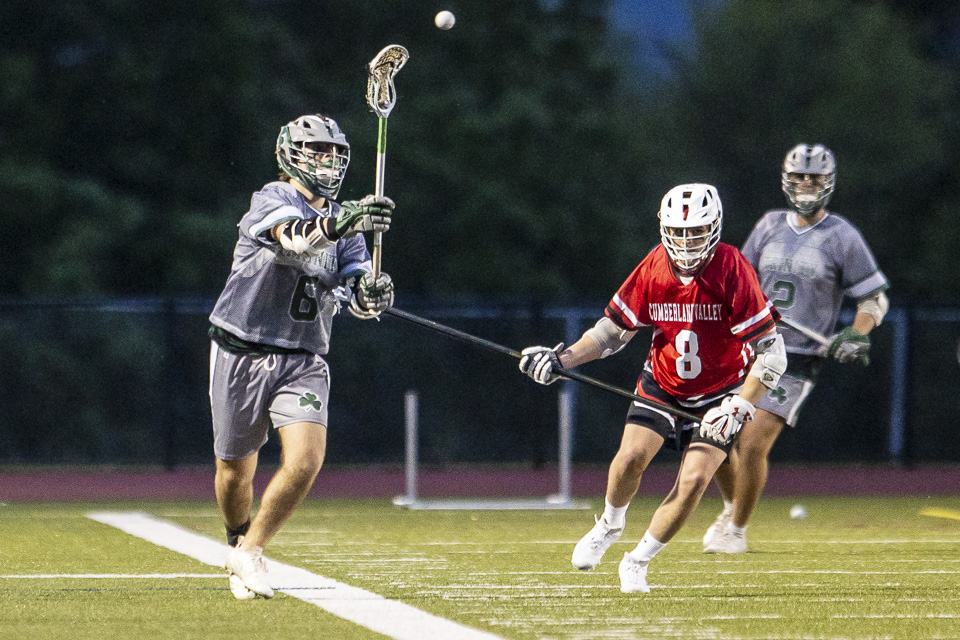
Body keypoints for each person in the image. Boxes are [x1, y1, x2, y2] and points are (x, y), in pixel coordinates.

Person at [519, 183, 785, 593]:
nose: (685, 241)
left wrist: (739, 406)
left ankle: (638, 560)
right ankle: (609, 525)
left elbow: (773, 355)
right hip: (663, 382)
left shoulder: (731, 267)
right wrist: (561, 360)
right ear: (663, 229)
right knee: (629, 459)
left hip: (720, 394)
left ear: (714, 228)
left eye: (695, 231)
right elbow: (611, 333)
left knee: (695, 479)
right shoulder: (654, 266)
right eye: (678, 232)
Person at [208, 114, 396, 599]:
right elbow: (293, 240)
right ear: (289, 154)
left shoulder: (348, 224)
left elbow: (355, 291)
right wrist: (341, 221)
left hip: (304, 357)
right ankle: (236, 539)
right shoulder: (271, 198)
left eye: (334, 153)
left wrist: (370, 294)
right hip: (241, 348)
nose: (328, 161)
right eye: (317, 151)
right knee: (234, 471)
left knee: (307, 459)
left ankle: (252, 552)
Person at [702, 143, 889, 554]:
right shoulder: (769, 224)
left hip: (796, 358)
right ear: (787, 180)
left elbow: (874, 298)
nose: (807, 184)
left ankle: (736, 529)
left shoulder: (842, 236)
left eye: (815, 177)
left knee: (751, 443)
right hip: (749, 348)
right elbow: (740, 278)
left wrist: (857, 333)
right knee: (714, 434)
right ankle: (732, 505)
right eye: (800, 176)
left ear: (828, 182)